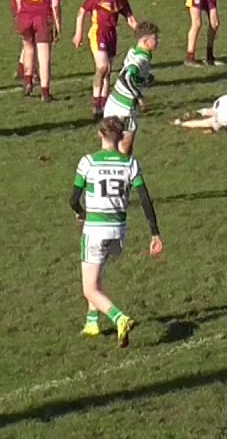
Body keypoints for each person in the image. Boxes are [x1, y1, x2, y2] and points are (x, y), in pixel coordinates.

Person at [69, 116, 163, 347]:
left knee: (89, 289)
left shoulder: (88, 162)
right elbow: (145, 199)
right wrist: (154, 232)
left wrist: (80, 212)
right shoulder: (130, 164)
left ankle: (119, 318)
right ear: (121, 137)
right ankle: (92, 322)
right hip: (118, 230)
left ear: (100, 135)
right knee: (97, 271)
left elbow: (73, 199)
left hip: (96, 229)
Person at [73, 0, 138, 118]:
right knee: (102, 67)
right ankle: (96, 104)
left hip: (111, 35)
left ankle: (103, 104)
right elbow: (82, 11)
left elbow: (130, 17)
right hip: (98, 33)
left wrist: (139, 30)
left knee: (108, 71)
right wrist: (78, 33)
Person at [102, 22, 159, 156]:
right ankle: (123, 173)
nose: (158, 41)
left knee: (109, 145)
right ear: (145, 41)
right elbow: (126, 76)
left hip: (113, 101)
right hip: (124, 107)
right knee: (125, 150)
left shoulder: (134, 51)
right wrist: (139, 97)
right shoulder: (141, 58)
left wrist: (146, 78)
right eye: (155, 38)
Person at [14, 0, 61, 101]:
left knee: (28, 48)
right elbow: (55, 4)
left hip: (25, 17)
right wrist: (58, 25)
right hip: (41, 18)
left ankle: (27, 82)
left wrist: (21, 8)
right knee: (43, 54)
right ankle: (45, 92)